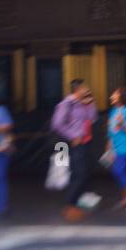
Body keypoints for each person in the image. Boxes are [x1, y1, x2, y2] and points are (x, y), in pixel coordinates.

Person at [51, 79, 97, 221]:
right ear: (77, 89)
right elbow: (57, 124)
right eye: (85, 88)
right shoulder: (67, 104)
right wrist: (73, 136)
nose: (87, 90)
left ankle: (77, 205)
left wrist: (90, 104)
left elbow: (93, 119)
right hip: (72, 144)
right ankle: (69, 205)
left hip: (85, 142)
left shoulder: (84, 104)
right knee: (79, 174)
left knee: (84, 173)